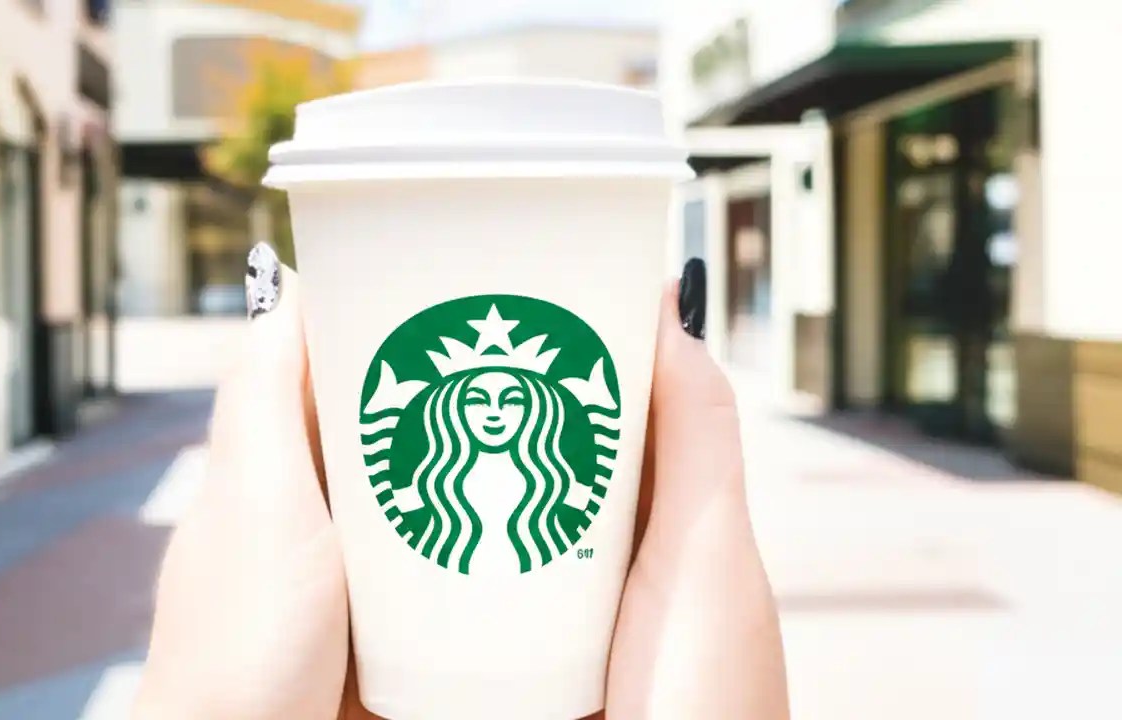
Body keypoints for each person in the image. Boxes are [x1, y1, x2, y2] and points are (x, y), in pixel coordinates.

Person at [132, 248, 789, 719]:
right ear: (449, 413)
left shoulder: (552, 497)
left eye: (514, 398)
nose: (497, 412)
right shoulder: (432, 496)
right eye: (478, 400)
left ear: (541, 409)